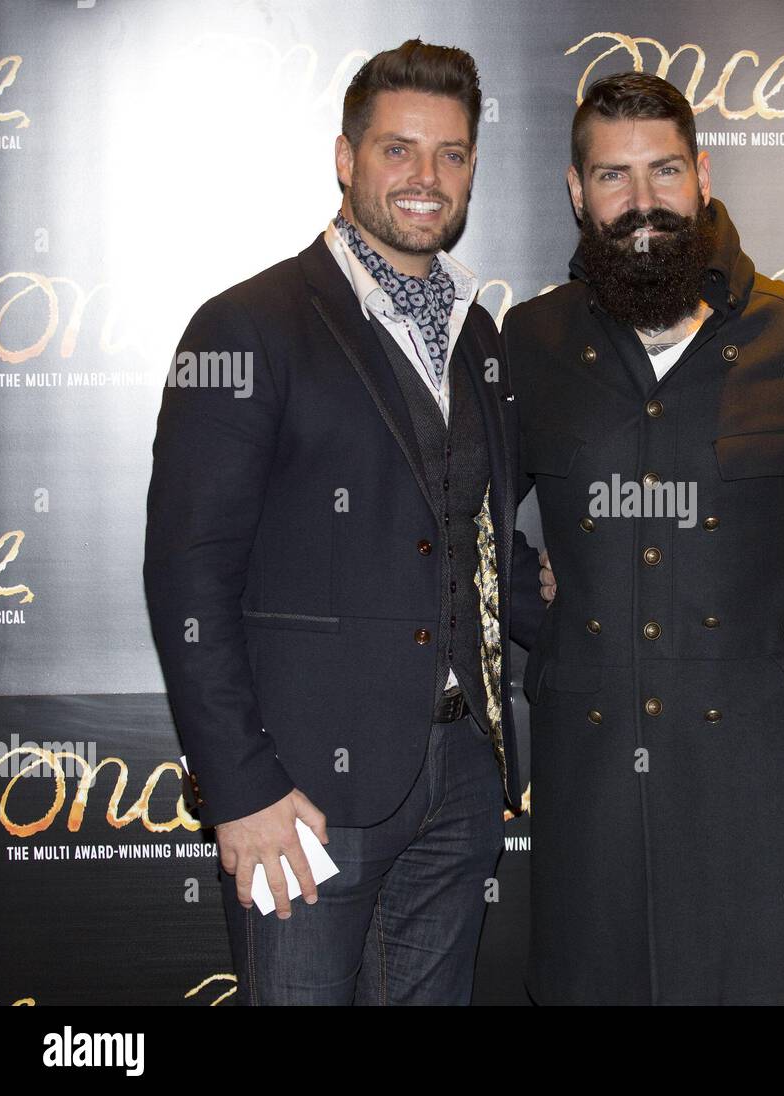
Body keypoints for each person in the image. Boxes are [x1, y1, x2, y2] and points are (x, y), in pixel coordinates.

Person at [143, 39, 546, 1005]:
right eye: (398, 150)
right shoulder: (250, 324)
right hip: (301, 800)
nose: (426, 178)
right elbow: (188, 576)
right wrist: (239, 791)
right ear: (345, 157)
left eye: (451, 154)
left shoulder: (475, 333)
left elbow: (471, 532)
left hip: (457, 779)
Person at [503, 72, 784, 1005]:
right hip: (598, 790)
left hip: (772, 794)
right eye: (613, 177)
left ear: (703, 173)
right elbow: (461, 516)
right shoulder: (529, 342)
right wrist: (532, 604)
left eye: (664, 171)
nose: (643, 203)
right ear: (575, 189)